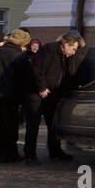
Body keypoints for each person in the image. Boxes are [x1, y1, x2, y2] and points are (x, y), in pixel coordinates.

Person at [23, 33, 85, 164]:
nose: (74, 52)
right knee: (33, 124)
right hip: (36, 93)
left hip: (52, 94)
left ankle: (55, 151)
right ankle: (30, 155)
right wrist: (42, 87)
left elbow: (66, 76)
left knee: (53, 124)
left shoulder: (65, 56)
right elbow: (37, 70)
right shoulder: (49, 50)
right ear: (66, 45)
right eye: (73, 49)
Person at [0, 29, 30, 163]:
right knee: (9, 125)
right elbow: (24, 78)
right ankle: (10, 153)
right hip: (9, 95)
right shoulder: (19, 56)